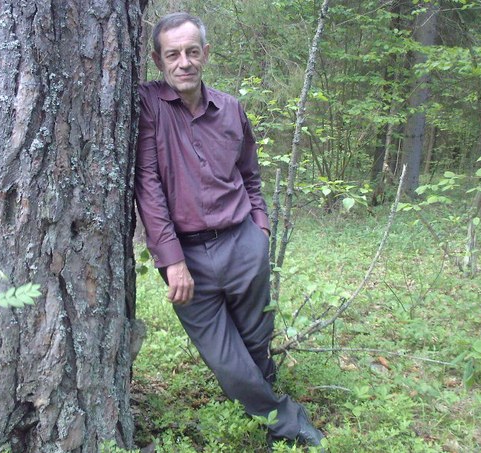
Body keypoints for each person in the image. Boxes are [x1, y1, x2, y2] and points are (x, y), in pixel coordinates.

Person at [135, 12, 325, 449]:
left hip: (243, 243)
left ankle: (267, 426)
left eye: (192, 51)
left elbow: (250, 176)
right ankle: (288, 421)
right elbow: (148, 187)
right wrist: (172, 260)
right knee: (226, 359)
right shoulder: (148, 106)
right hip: (187, 257)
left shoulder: (231, 109)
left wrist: (260, 230)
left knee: (257, 343)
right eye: (172, 54)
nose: (184, 62)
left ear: (205, 54)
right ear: (158, 60)